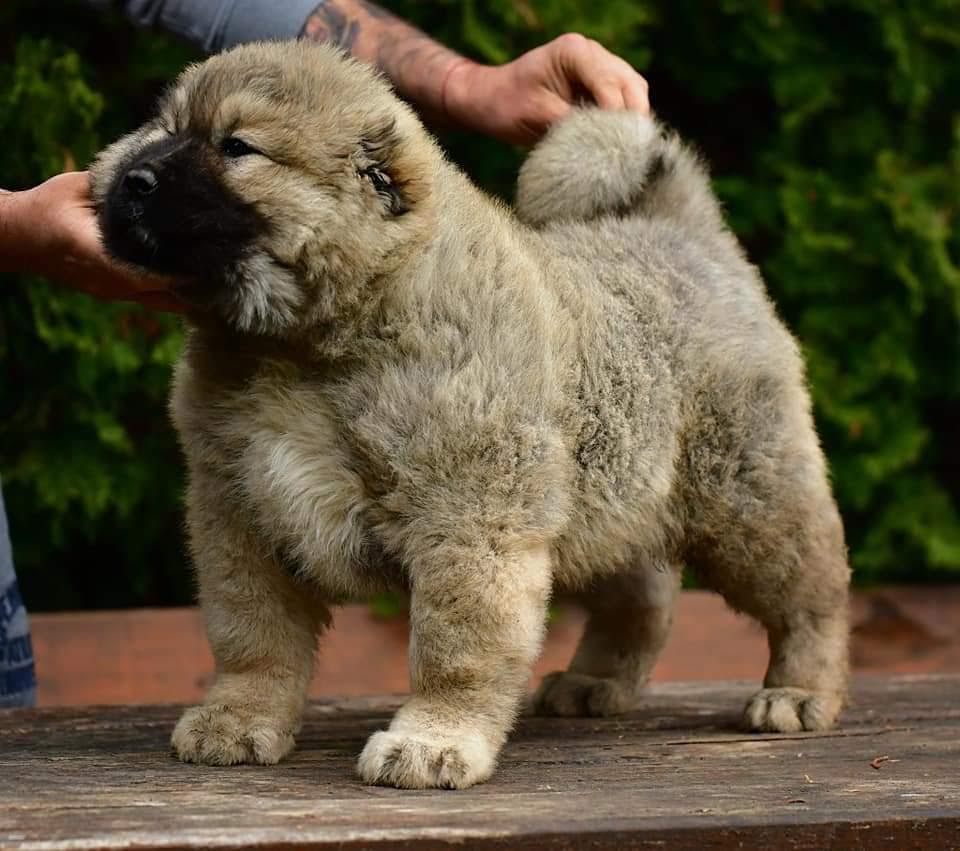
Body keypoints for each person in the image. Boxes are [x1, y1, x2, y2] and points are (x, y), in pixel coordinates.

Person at [0, 0, 651, 707]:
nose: (149, 165)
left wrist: (466, 85)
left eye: (236, 149)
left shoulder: (453, 341)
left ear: (383, 189)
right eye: (163, 129)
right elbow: (236, 539)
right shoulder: (227, 366)